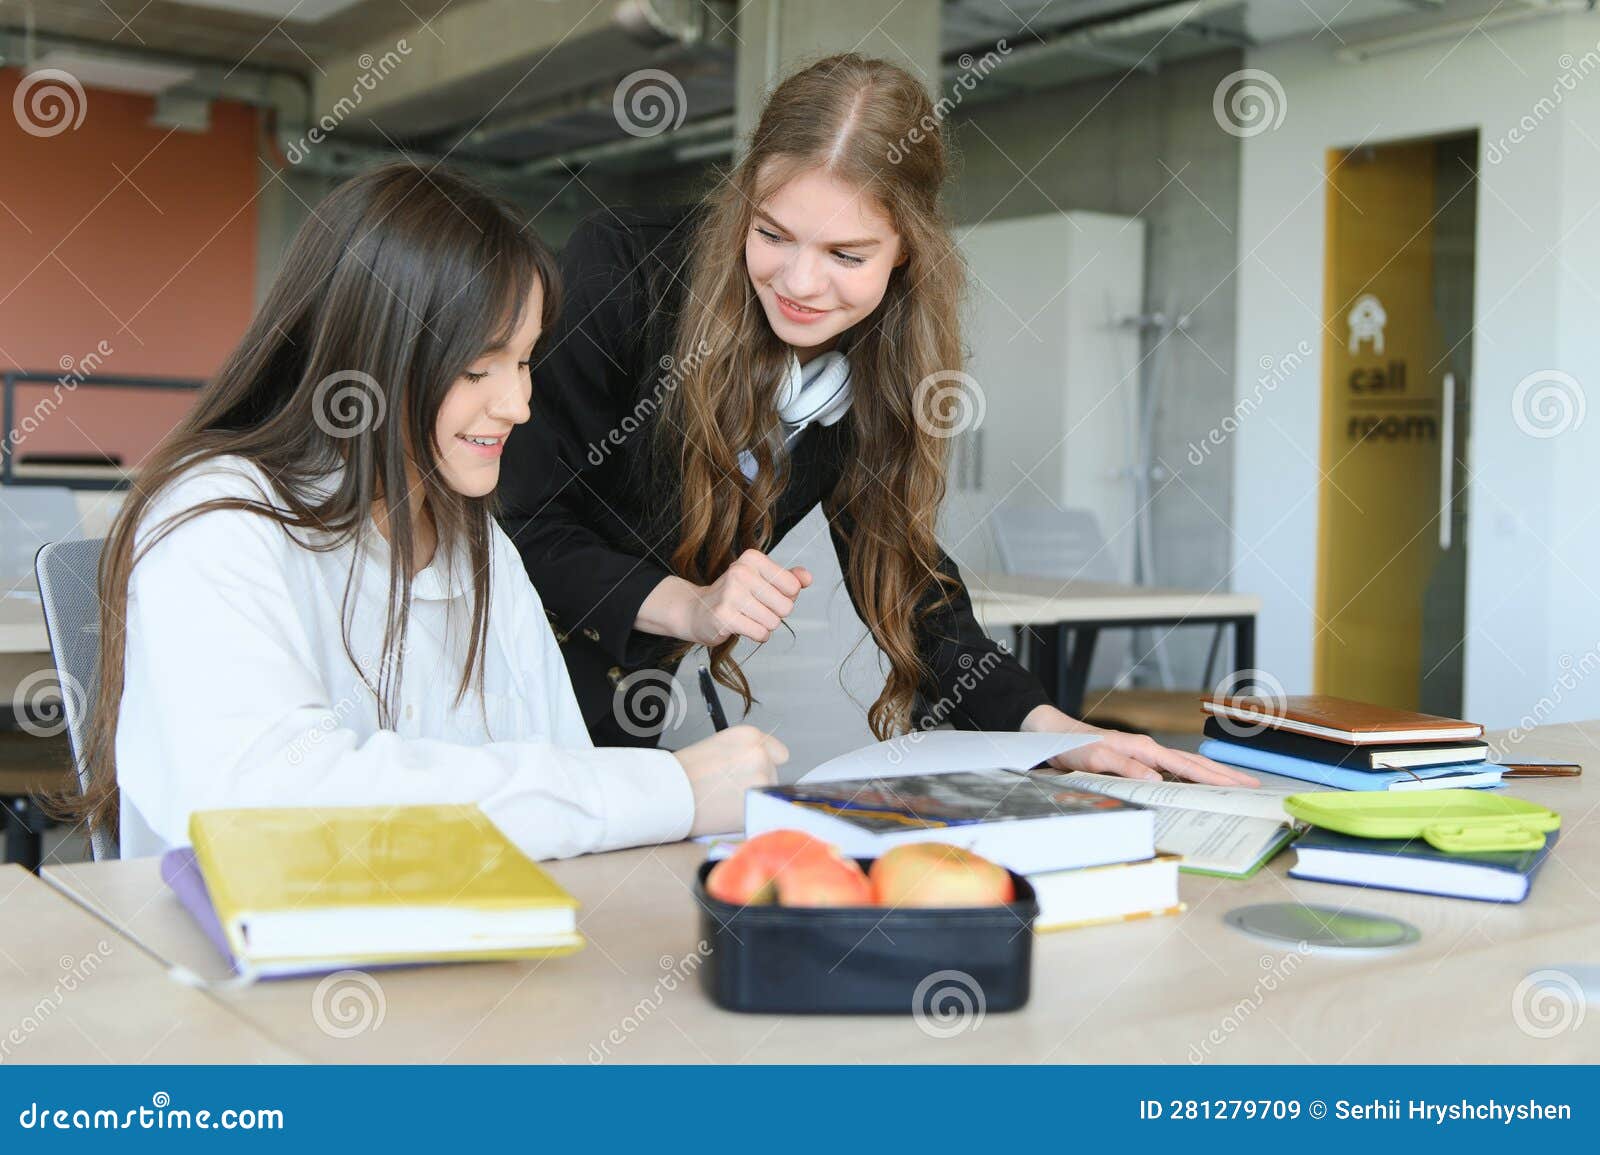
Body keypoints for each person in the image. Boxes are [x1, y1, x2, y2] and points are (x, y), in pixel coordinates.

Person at [498, 54, 1252, 786]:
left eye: (846, 255)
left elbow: (902, 575)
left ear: (906, 251)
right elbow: (526, 522)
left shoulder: (875, 364)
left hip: (625, 708)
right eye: (771, 234)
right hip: (500, 676)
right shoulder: (625, 271)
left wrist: (1048, 727)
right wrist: (690, 605)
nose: (800, 282)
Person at [62, 161, 785, 860]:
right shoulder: (216, 523)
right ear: (369, 360)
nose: (518, 404)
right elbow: (267, 810)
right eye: (476, 369)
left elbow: (558, 763)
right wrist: (668, 790)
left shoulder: (475, 541)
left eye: (524, 361)